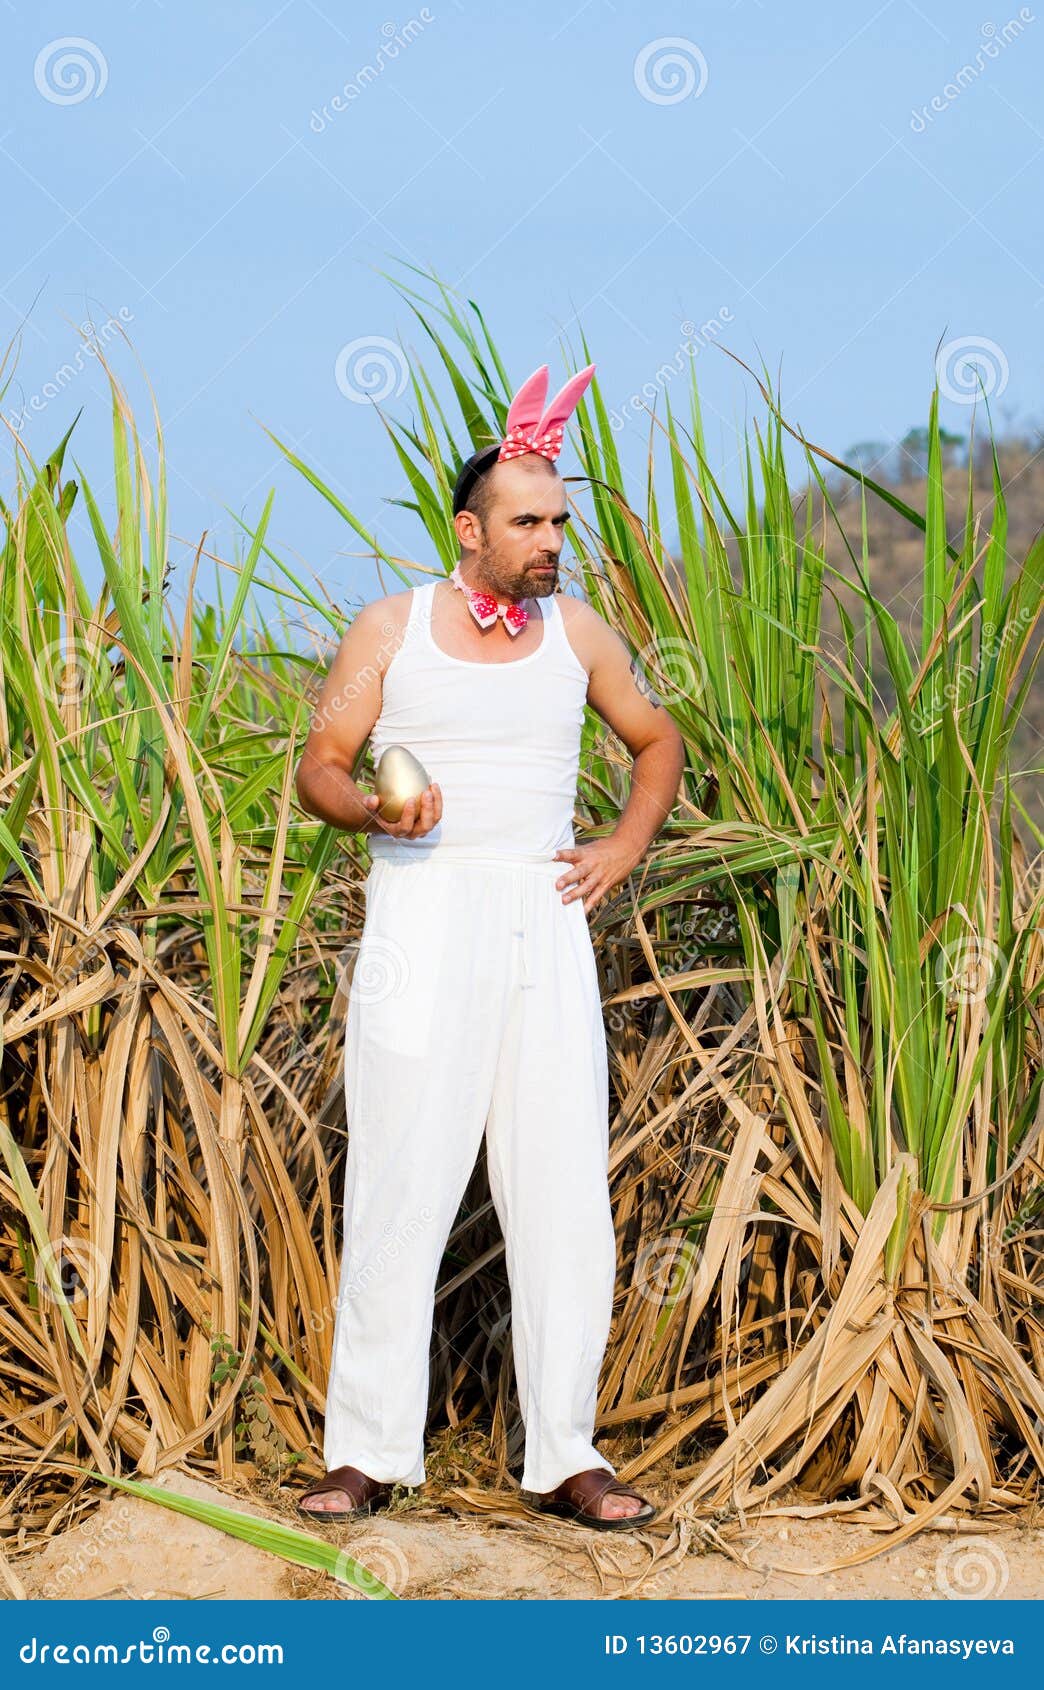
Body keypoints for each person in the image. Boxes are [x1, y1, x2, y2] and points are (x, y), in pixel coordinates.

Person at [293, 363, 686, 1531]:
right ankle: (366, 1453)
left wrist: (621, 843)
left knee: (563, 1190)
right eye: (528, 520)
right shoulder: (391, 626)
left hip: (545, 919)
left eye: (561, 518)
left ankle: (569, 1454)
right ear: (470, 530)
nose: (550, 537)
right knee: (401, 1184)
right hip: (423, 914)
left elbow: (654, 744)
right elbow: (320, 761)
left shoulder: (579, 632)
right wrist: (371, 808)